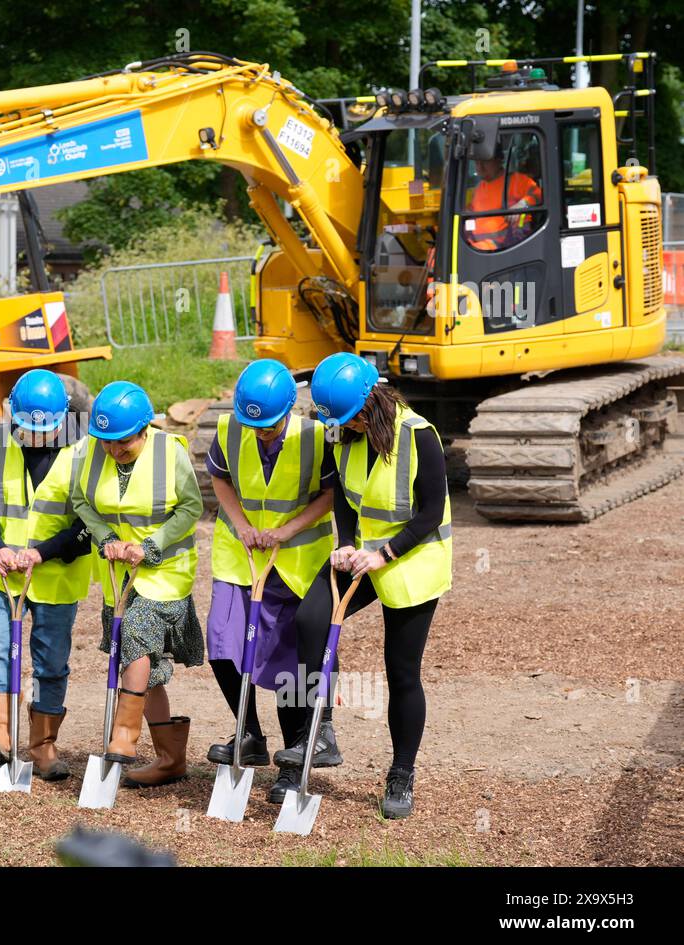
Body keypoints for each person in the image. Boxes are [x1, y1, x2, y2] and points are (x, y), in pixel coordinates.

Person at [290, 352, 452, 819]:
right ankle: (321, 732)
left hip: (412, 558)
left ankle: (401, 774)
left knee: (401, 672)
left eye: (352, 419)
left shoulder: (418, 435)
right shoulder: (340, 429)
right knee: (309, 620)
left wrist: (383, 554)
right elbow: (341, 490)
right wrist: (344, 542)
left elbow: (430, 512)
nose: (346, 427)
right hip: (361, 552)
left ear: (371, 402)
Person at [204, 359, 335, 805]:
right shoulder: (231, 428)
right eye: (254, 424)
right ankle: (249, 735)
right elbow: (220, 479)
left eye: (270, 425)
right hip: (240, 554)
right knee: (221, 642)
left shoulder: (314, 437)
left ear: (289, 411)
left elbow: (331, 495)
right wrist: (241, 524)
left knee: (286, 660)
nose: (261, 432)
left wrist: (286, 531)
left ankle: (294, 758)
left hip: (294, 559)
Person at [0, 369, 93, 781]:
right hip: (3, 572)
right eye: (25, 428)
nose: (33, 436)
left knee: (51, 661)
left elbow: (88, 523)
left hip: (56, 576)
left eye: (43, 430)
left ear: (62, 418)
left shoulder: (85, 452)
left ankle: (42, 746)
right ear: (13, 415)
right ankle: (0, 732)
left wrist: (42, 553)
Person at [72, 381, 203, 788]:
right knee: (139, 662)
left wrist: (150, 545)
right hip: (119, 573)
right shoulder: (94, 450)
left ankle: (124, 736)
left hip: (165, 570)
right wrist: (106, 538)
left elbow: (191, 507)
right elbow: (81, 502)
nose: (113, 450)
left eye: (122, 443)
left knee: (136, 635)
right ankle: (170, 759)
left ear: (145, 429)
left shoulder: (170, 452)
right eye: (106, 442)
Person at [466, 145, 542, 251]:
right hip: (477, 245)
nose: (480, 167)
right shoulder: (479, 188)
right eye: (477, 162)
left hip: (503, 246)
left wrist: (522, 204)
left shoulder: (516, 181)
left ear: (499, 160)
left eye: (485, 161)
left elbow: (538, 194)